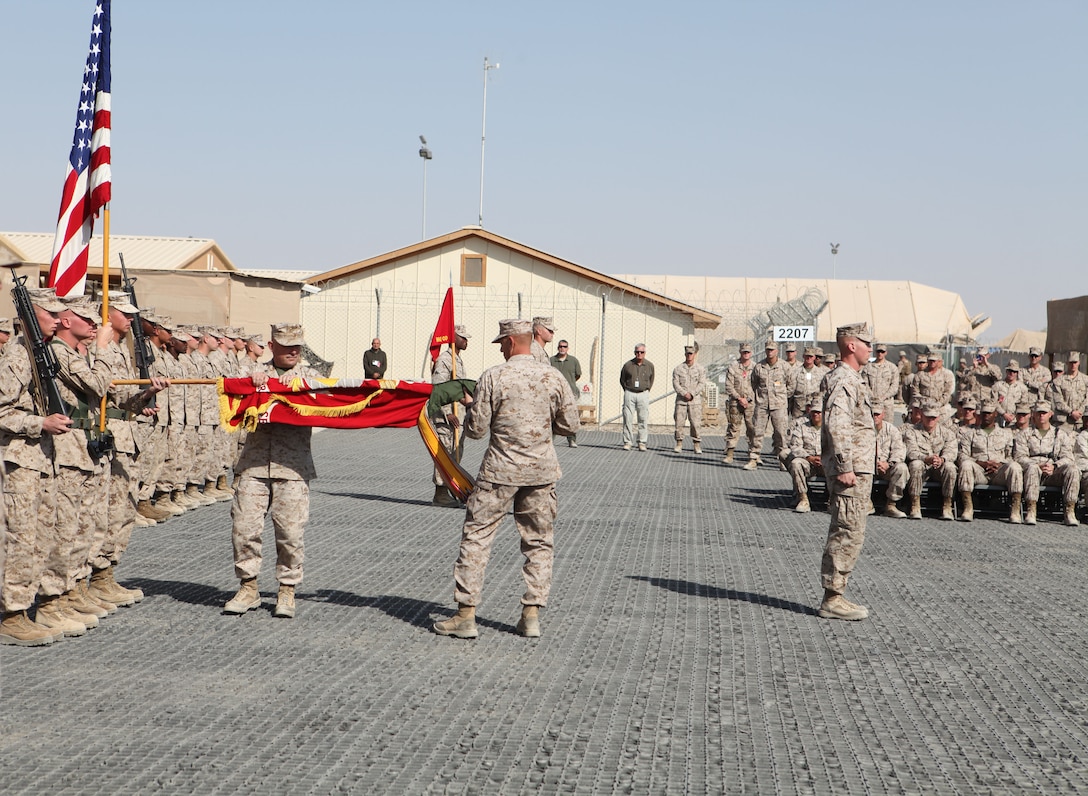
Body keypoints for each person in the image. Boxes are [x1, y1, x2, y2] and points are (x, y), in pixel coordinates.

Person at [433, 319, 580, 640]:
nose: (499, 348)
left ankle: (466, 615)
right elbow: (570, 424)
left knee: (477, 537)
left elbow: (475, 431)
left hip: (499, 472)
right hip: (541, 472)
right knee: (539, 542)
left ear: (512, 342)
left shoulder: (493, 377)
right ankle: (531, 615)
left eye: (501, 342)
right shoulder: (553, 376)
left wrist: (471, 407)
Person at [224, 323, 325, 618]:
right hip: (253, 465)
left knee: (290, 534)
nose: (293, 350)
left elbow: (333, 400)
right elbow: (229, 389)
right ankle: (248, 587)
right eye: (286, 345)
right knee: (244, 530)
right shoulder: (253, 372)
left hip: (293, 468)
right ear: (272, 345)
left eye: (297, 345)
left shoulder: (312, 378)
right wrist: (252, 382)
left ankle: (287, 590)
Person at [0, 288, 72, 645]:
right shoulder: (16, 356)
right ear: (32, 316)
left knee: (41, 534)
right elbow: (1, 410)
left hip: (41, 458)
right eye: (53, 314)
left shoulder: (37, 354)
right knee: (20, 537)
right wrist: (38, 424)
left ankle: (29, 606)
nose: (60, 321)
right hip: (19, 460)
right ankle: (12, 615)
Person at [817, 322, 875, 622]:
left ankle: (837, 593)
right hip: (850, 471)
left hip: (858, 468)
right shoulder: (844, 379)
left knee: (852, 530)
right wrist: (843, 467)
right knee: (847, 531)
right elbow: (837, 424)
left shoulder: (852, 378)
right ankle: (832, 598)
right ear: (851, 345)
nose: (871, 348)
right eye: (866, 343)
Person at [1013, 400, 1079, 526]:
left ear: (1050, 414)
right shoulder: (1025, 434)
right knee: (1032, 468)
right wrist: (1037, 465)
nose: (1041, 416)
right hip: (1033, 470)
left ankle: (1070, 510)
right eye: (1038, 413)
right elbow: (1019, 457)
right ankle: (1031, 510)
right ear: (1033, 415)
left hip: (1053, 471)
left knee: (1073, 469)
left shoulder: (1060, 434)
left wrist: (1054, 466)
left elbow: (1068, 457)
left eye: (1044, 413)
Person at [956, 399, 1022, 523]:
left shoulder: (1006, 434)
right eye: (984, 413)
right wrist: (982, 463)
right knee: (965, 465)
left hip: (999, 472)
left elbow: (1011, 456)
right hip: (979, 471)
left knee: (1015, 467)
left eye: (989, 413)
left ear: (995, 414)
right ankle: (968, 508)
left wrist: (1000, 464)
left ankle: (1015, 510)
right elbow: (962, 456)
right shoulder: (970, 434)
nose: (986, 415)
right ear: (980, 414)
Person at [431, 324, 471, 506]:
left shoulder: (457, 360)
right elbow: (439, 389)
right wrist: (448, 413)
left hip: (459, 416)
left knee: (456, 453)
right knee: (446, 453)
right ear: (453, 338)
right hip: (448, 417)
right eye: (462, 337)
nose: (466, 341)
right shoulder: (445, 360)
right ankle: (440, 494)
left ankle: (451, 488)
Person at [903, 400, 958, 521]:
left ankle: (947, 505)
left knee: (950, 468)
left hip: (939, 467)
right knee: (915, 464)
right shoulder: (912, 432)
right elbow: (910, 452)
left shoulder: (947, 433)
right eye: (928, 416)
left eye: (933, 417)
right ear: (922, 415)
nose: (930, 420)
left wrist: (942, 459)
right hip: (922, 467)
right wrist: (926, 458)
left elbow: (952, 451)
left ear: (938, 417)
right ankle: (915, 504)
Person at [748, 341, 790, 470]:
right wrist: (760, 397)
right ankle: (754, 458)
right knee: (757, 432)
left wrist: (781, 397)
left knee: (781, 433)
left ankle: (783, 460)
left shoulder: (784, 366)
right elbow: (754, 383)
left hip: (779, 405)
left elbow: (791, 384)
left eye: (772, 350)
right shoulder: (759, 367)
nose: (770, 352)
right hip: (762, 404)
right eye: (768, 349)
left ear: (777, 351)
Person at [722, 343, 757, 463]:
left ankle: (754, 454)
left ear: (751, 353)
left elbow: (758, 386)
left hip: (750, 403)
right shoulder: (733, 366)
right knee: (733, 428)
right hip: (735, 403)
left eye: (748, 352)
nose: (746, 354)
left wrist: (748, 400)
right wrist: (739, 398)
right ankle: (730, 454)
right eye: (743, 352)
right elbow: (728, 385)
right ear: (740, 352)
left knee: (752, 429)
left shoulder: (756, 367)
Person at [788, 398, 823, 513]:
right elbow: (795, 447)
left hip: (826, 463)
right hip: (809, 463)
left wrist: (826, 457)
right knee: (795, 463)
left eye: (819, 412)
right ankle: (803, 498)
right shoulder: (802, 428)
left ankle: (832, 499)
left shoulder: (830, 429)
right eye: (814, 412)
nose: (816, 414)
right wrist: (809, 457)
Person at [873, 406, 908, 518]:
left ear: (883, 414)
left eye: (877, 414)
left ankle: (891, 504)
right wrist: (873, 464)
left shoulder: (892, 430)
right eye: (872, 414)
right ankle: (865, 503)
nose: (875, 417)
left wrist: (888, 464)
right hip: (868, 467)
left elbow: (899, 451)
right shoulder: (862, 429)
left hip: (886, 467)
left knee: (902, 468)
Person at [672, 345, 706, 454]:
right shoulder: (678, 369)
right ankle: (679, 443)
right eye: (687, 354)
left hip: (694, 401)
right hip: (681, 401)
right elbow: (675, 383)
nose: (689, 356)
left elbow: (701, 383)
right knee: (679, 423)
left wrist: (692, 393)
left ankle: (696, 444)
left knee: (696, 424)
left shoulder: (700, 369)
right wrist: (684, 393)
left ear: (695, 354)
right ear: (685, 354)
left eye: (691, 354)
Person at [620, 343, 653, 451]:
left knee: (643, 418)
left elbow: (651, 379)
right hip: (630, 393)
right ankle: (627, 442)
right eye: (637, 352)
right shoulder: (628, 365)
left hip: (643, 394)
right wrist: (627, 389)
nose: (639, 354)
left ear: (645, 353)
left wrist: (646, 389)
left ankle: (642, 442)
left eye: (642, 352)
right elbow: (622, 379)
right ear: (634, 353)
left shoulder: (649, 365)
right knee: (628, 418)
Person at [550, 339, 582, 447]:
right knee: (553, 416)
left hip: (570, 392)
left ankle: (572, 440)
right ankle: (550, 440)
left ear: (568, 348)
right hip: (554, 392)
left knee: (570, 417)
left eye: (564, 346)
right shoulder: (552, 360)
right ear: (557, 348)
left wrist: (569, 384)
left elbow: (577, 375)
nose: (562, 348)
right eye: (560, 346)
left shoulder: (573, 361)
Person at [1050, 351, 1088, 429]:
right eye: (1071, 362)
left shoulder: (1085, 380)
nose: (1073, 365)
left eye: (1075, 362)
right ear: (1067, 363)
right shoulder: (1058, 381)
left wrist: (1079, 412)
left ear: (1079, 363)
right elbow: (1058, 401)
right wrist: (1071, 412)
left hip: (1081, 420)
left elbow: (1087, 399)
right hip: (1064, 422)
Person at [863, 342, 899, 421]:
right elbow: (864, 384)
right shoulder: (868, 367)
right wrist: (871, 396)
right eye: (878, 351)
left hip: (886, 404)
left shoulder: (892, 368)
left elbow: (894, 386)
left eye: (882, 352)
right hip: (871, 403)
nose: (880, 354)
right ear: (875, 352)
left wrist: (884, 397)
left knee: (887, 428)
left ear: (886, 353)